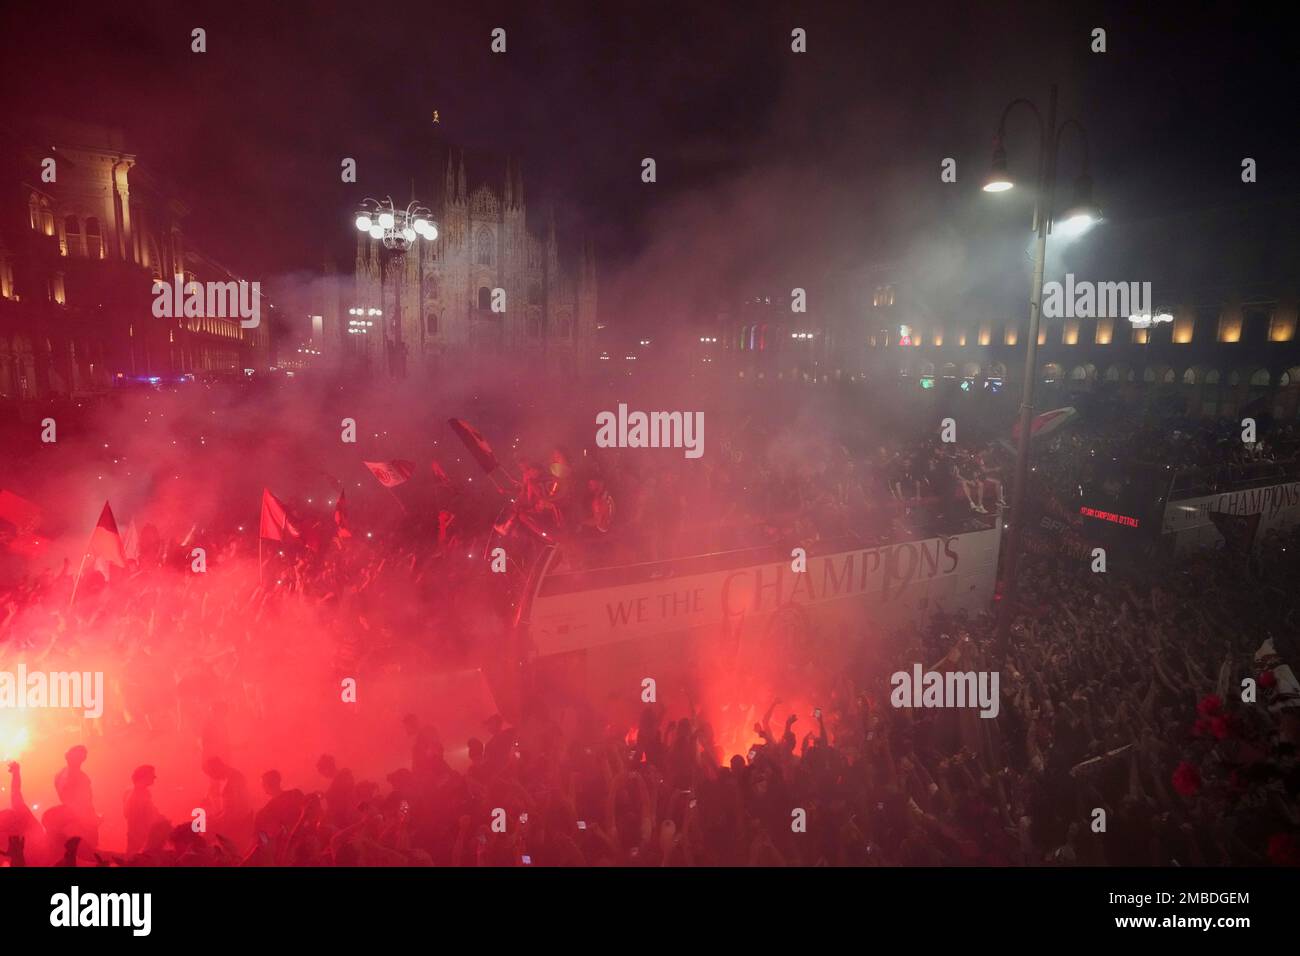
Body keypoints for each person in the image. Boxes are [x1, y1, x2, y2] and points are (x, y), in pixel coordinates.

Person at [123, 765, 163, 856]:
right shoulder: (138, 796)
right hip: (141, 839)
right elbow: (143, 820)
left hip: (139, 838)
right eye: (152, 775)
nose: (154, 777)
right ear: (144, 777)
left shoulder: (133, 792)